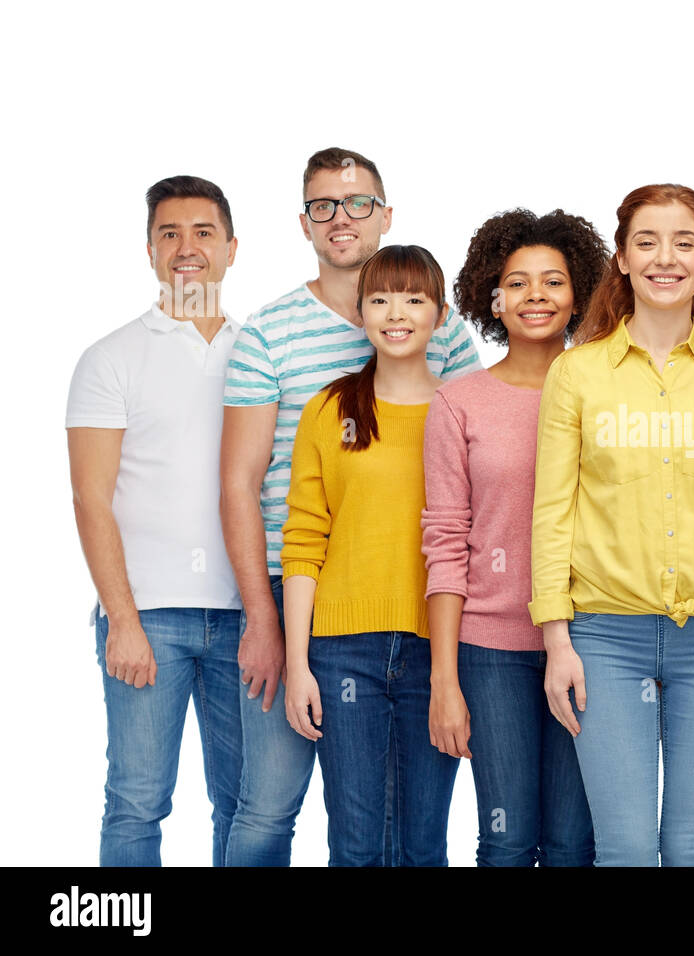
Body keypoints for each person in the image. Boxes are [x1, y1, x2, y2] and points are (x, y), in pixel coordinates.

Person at [221, 147, 481, 866]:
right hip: (323, 621)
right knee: (319, 824)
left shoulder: (459, 391)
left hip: (437, 630)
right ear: (304, 221)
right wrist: (275, 631)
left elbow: (477, 510)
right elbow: (283, 516)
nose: (342, 216)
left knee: (423, 840)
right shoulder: (298, 367)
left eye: (358, 202)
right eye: (325, 205)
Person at [529, 184, 694, 866]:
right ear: (620, 258)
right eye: (646, 242)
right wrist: (557, 639)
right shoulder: (576, 375)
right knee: (626, 848)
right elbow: (552, 512)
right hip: (604, 639)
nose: (664, 258)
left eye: (683, 243)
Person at [424, 209, 609, 866]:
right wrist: (444, 681)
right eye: (519, 283)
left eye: (553, 282)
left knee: (572, 843)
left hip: (591, 643)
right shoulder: (460, 403)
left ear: (580, 292)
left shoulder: (607, 394)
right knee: (505, 837)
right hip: (491, 650)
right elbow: (445, 545)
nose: (536, 297)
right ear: (492, 296)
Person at [68, 175, 243, 866]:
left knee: (246, 801)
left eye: (203, 232)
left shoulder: (257, 350)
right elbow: (90, 496)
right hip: (149, 616)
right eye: (169, 233)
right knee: (138, 801)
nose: (186, 248)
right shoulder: (110, 358)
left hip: (245, 614)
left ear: (232, 247)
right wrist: (124, 619)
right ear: (149, 251)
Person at [280, 244, 461, 865]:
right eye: (380, 299)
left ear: (440, 313)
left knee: (423, 842)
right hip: (342, 649)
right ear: (360, 313)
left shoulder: (461, 410)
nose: (396, 313)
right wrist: (297, 662)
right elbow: (304, 539)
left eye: (414, 298)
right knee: (354, 843)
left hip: (436, 649)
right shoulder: (331, 412)